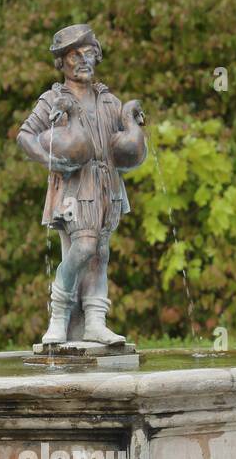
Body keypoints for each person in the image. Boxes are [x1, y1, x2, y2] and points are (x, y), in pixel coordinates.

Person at [17, 23, 147, 345]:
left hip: (107, 187)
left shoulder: (108, 101)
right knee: (84, 247)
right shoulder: (52, 99)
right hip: (74, 189)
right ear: (61, 62)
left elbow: (127, 143)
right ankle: (59, 314)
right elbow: (25, 135)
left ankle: (95, 320)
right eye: (75, 55)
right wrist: (48, 158)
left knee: (100, 253)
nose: (84, 60)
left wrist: (134, 134)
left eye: (90, 53)